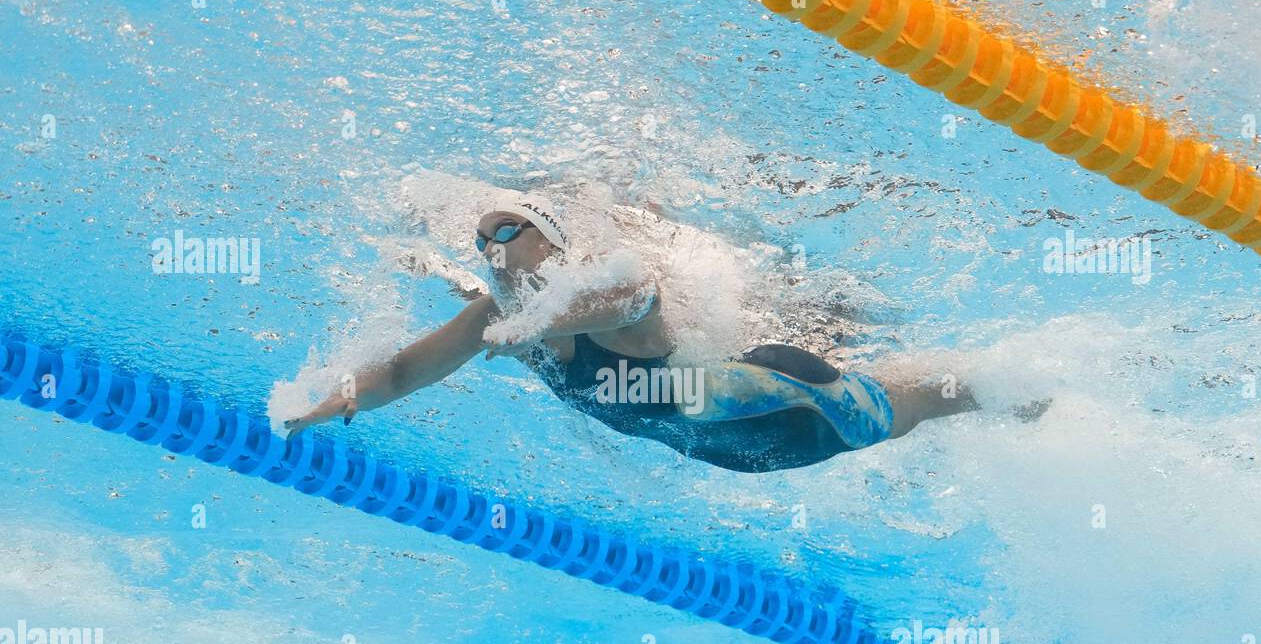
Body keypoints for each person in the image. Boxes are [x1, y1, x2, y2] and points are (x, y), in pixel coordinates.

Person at [286, 193, 976, 472]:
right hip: (724, 453)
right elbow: (405, 371)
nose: (488, 244)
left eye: (504, 229)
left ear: (548, 239)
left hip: (786, 401)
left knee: (905, 406)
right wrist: (337, 399)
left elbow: (638, 297)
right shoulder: (498, 321)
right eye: (478, 238)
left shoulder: (596, 290)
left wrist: (538, 320)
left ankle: (1004, 387)